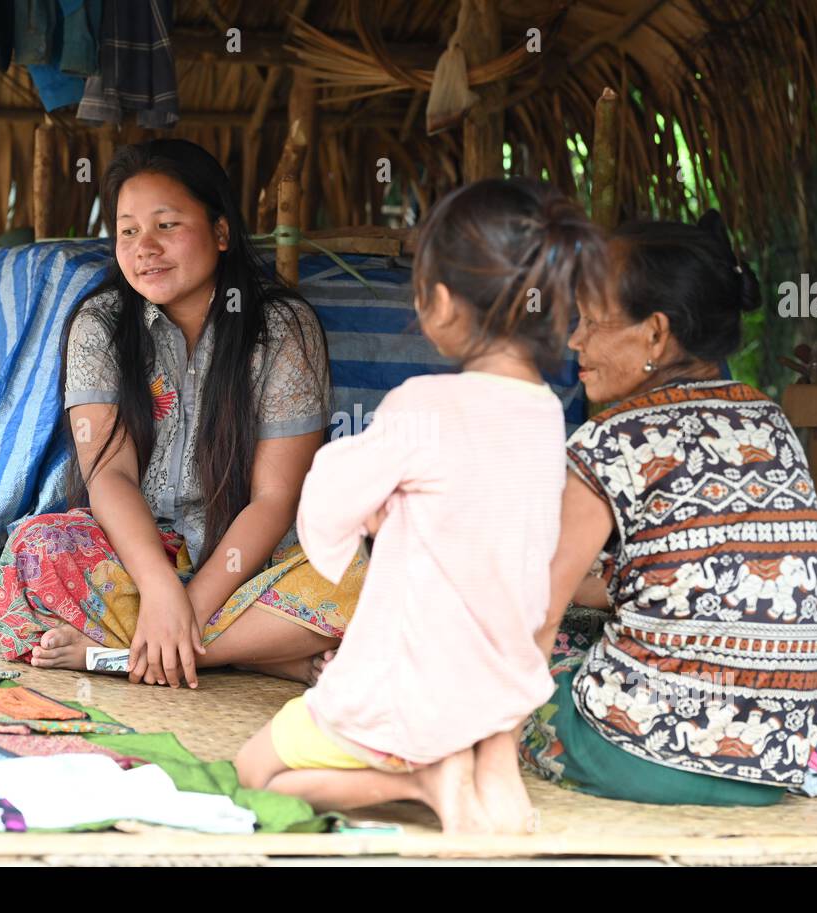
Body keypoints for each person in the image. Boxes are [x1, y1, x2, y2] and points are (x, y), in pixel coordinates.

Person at [235, 178, 606, 833]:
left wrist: (370, 509)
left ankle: (423, 784)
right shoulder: (547, 415)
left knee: (253, 773)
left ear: (439, 302)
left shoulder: (421, 404)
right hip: (493, 697)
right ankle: (463, 771)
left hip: (402, 689)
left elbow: (328, 496)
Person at [0, 140, 365, 687]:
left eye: (167, 225)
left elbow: (275, 498)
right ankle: (264, 652)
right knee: (36, 549)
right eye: (129, 230)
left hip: (254, 565)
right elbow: (108, 475)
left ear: (220, 232)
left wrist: (187, 606)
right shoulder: (101, 325)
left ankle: (128, 654)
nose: (145, 248)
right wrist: (162, 589)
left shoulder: (281, 327)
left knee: (357, 571)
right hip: (141, 558)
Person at [522, 211, 817, 805]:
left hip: (634, 755)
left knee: (516, 667)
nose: (574, 341)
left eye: (590, 320)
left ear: (655, 333)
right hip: (767, 768)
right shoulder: (771, 422)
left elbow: (536, 606)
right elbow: (690, 573)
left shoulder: (610, 438)